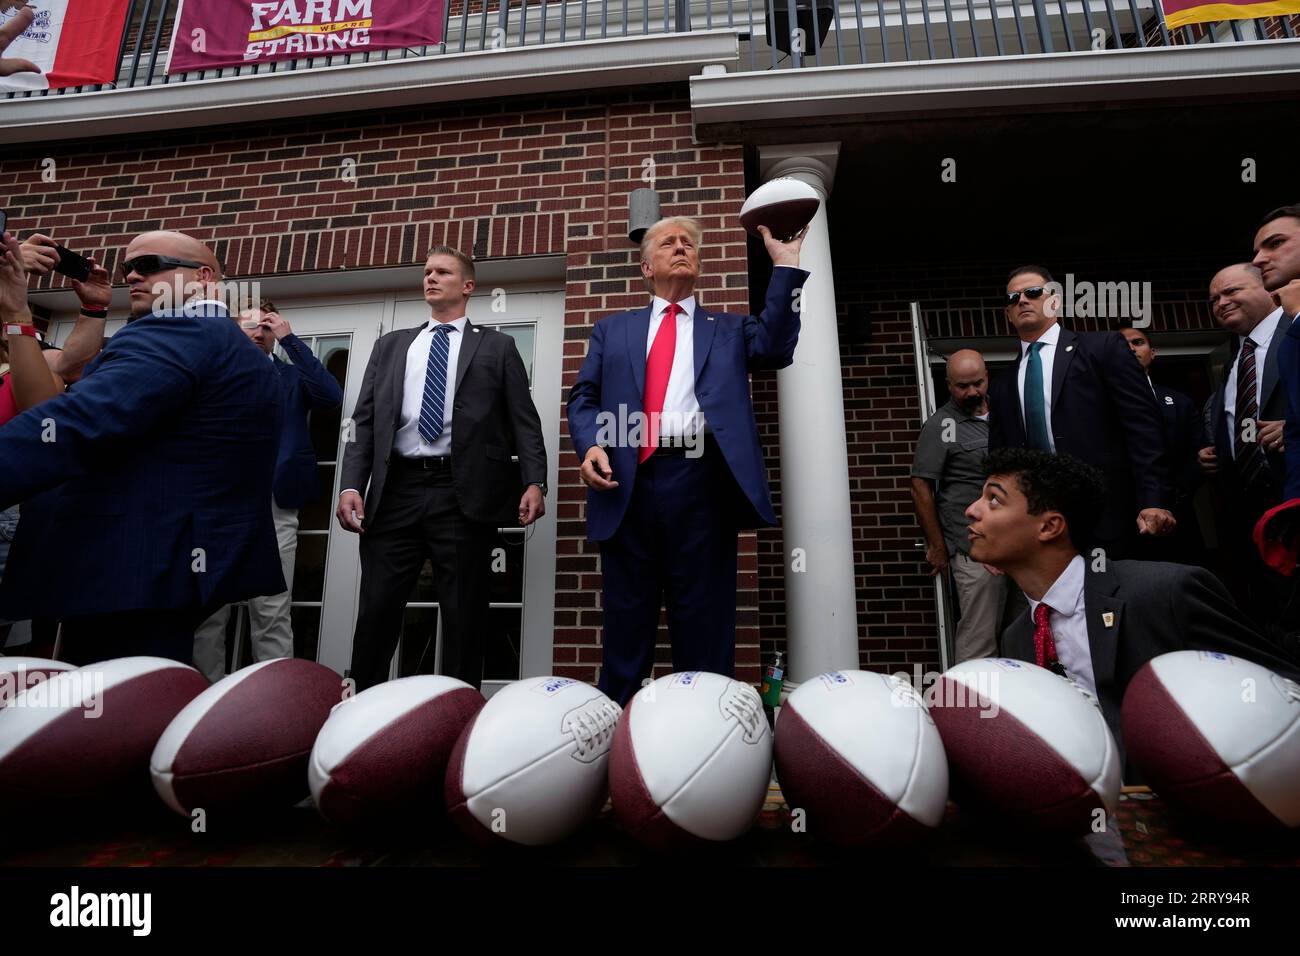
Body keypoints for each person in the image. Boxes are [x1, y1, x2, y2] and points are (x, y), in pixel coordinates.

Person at [0, 230, 284, 664]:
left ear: (204, 277)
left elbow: (75, 425)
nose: (132, 274)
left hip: (128, 567)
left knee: (104, 719)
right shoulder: (236, 350)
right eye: (127, 267)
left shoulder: (177, 330)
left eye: (150, 265)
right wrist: (21, 311)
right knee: (140, 707)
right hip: (170, 570)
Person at [567, 216, 807, 706]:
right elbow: (584, 399)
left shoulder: (729, 330)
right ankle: (614, 739)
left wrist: (785, 267)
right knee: (625, 624)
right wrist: (591, 445)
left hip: (702, 483)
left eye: (689, 244)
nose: (681, 249)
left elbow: (778, 347)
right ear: (646, 266)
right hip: (626, 483)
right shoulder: (612, 331)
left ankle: (703, 736)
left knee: (704, 621)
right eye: (668, 243)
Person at [966, 447, 1298, 777]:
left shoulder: (1165, 593)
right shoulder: (1017, 638)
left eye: (994, 499)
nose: (971, 510)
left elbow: (1285, 687)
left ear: (1050, 526)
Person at [337, 246, 547, 692]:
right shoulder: (391, 346)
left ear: (467, 286)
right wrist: (350, 485)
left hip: (463, 493)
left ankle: (457, 711)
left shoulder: (498, 347)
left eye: (443, 272)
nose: (431, 278)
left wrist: (534, 480)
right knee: (377, 606)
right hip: (396, 490)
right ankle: (360, 705)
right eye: (427, 272)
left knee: (464, 611)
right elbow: (364, 421)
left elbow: (524, 422)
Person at [193, 300, 343, 682]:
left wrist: (291, 340)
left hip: (275, 507)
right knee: (209, 611)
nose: (258, 334)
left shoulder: (291, 377)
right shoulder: (210, 374)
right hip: (216, 506)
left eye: (266, 328)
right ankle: (202, 699)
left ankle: (274, 700)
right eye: (249, 327)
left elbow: (330, 397)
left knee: (272, 609)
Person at [987, 265, 1173, 557]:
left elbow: (1143, 425)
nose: (1022, 300)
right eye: (1013, 298)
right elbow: (1000, 460)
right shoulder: (1002, 384)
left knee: (1110, 600)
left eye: (1033, 293)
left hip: (1108, 515)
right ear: (1007, 314)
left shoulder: (1102, 348)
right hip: (1037, 526)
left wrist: (1154, 498)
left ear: (1055, 301)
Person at [1198, 263, 1291, 630]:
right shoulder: (1233, 362)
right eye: (1214, 299)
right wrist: (1217, 449)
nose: (1221, 303)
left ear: (1268, 288)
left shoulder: (1295, 335)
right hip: (1250, 515)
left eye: (1232, 292)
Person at [910, 348, 1008, 662]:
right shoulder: (941, 425)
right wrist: (938, 546)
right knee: (980, 638)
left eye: (977, 383)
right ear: (949, 386)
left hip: (1015, 545)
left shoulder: (1007, 413)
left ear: (987, 378)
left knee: (1021, 631)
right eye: (962, 386)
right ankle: (967, 706)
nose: (971, 392)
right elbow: (920, 486)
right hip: (973, 549)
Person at [1119, 325, 1205, 564]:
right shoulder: (1096, 402)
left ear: (1152, 352)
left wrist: (1175, 495)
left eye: (1137, 342)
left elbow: (1197, 453)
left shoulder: (1178, 402)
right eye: (1123, 345)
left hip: (1177, 513)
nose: (1131, 348)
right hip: (1123, 518)